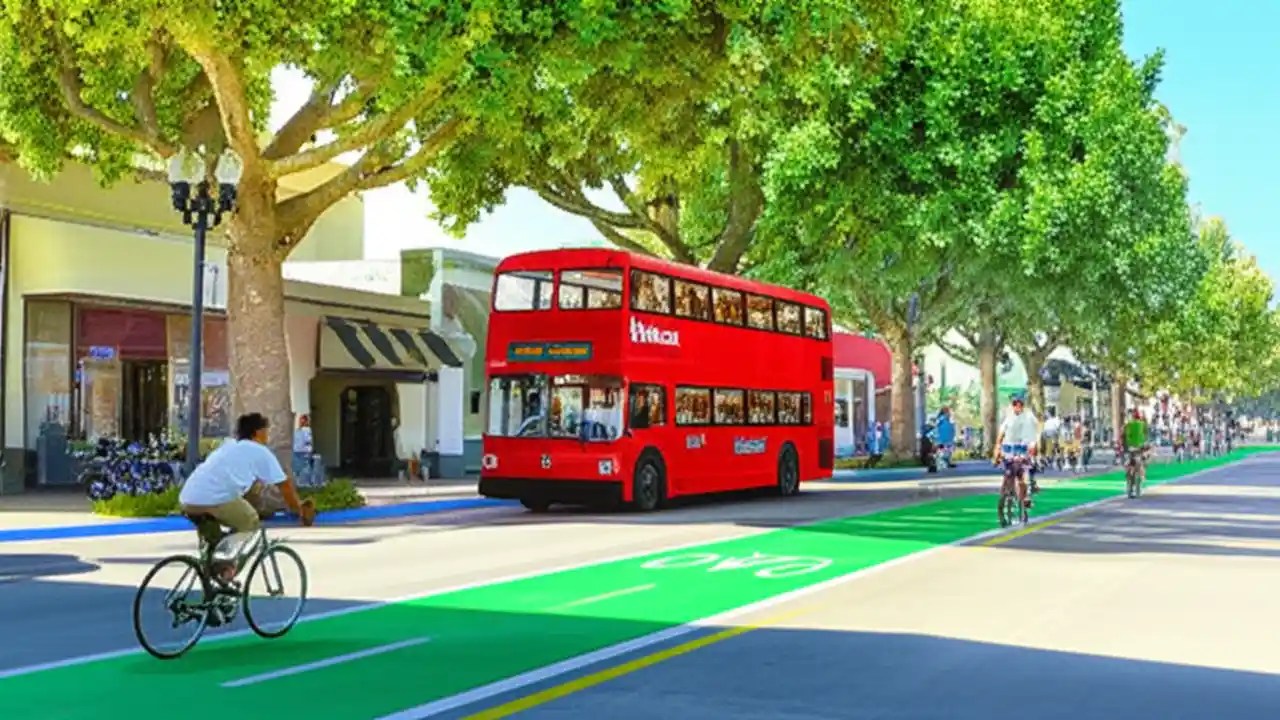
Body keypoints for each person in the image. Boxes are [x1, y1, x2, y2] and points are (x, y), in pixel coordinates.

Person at [179, 412, 315, 584]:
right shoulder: (260, 451)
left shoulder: (228, 446)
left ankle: (212, 584)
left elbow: (237, 481)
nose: (268, 434)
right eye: (266, 430)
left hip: (188, 499)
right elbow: (284, 486)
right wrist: (298, 510)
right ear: (258, 432)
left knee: (214, 544)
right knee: (250, 522)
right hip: (215, 499)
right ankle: (228, 574)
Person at [994, 394, 1039, 509]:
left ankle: (1026, 496)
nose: (1017, 406)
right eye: (1015, 404)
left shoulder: (1029, 416)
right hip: (1009, 447)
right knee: (1008, 471)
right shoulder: (1008, 417)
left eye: (1020, 404)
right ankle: (1005, 492)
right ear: (1012, 405)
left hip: (1023, 447)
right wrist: (997, 448)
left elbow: (1034, 432)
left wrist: (1033, 447)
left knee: (1022, 473)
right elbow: (1001, 433)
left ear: (1023, 405)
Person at [1122, 408, 1150, 486]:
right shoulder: (1142, 424)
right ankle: (1142, 476)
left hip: (1131, 447)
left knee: (1128, 462)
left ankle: (1128, 476)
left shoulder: (1128, 424)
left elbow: (1126, 435)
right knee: (1143, 460)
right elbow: (1146, 434)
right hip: (1140, 447)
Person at [292, 413, 314, 486]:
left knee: (305, 467)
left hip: (304, 452)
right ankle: (298, 483)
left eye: (302, 420)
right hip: (297, 451)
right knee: (297, 468)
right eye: (300, 420)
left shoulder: (307, 430)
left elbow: (308, 441)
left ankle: (307, 483)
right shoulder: (297, 430)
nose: (300, 422)